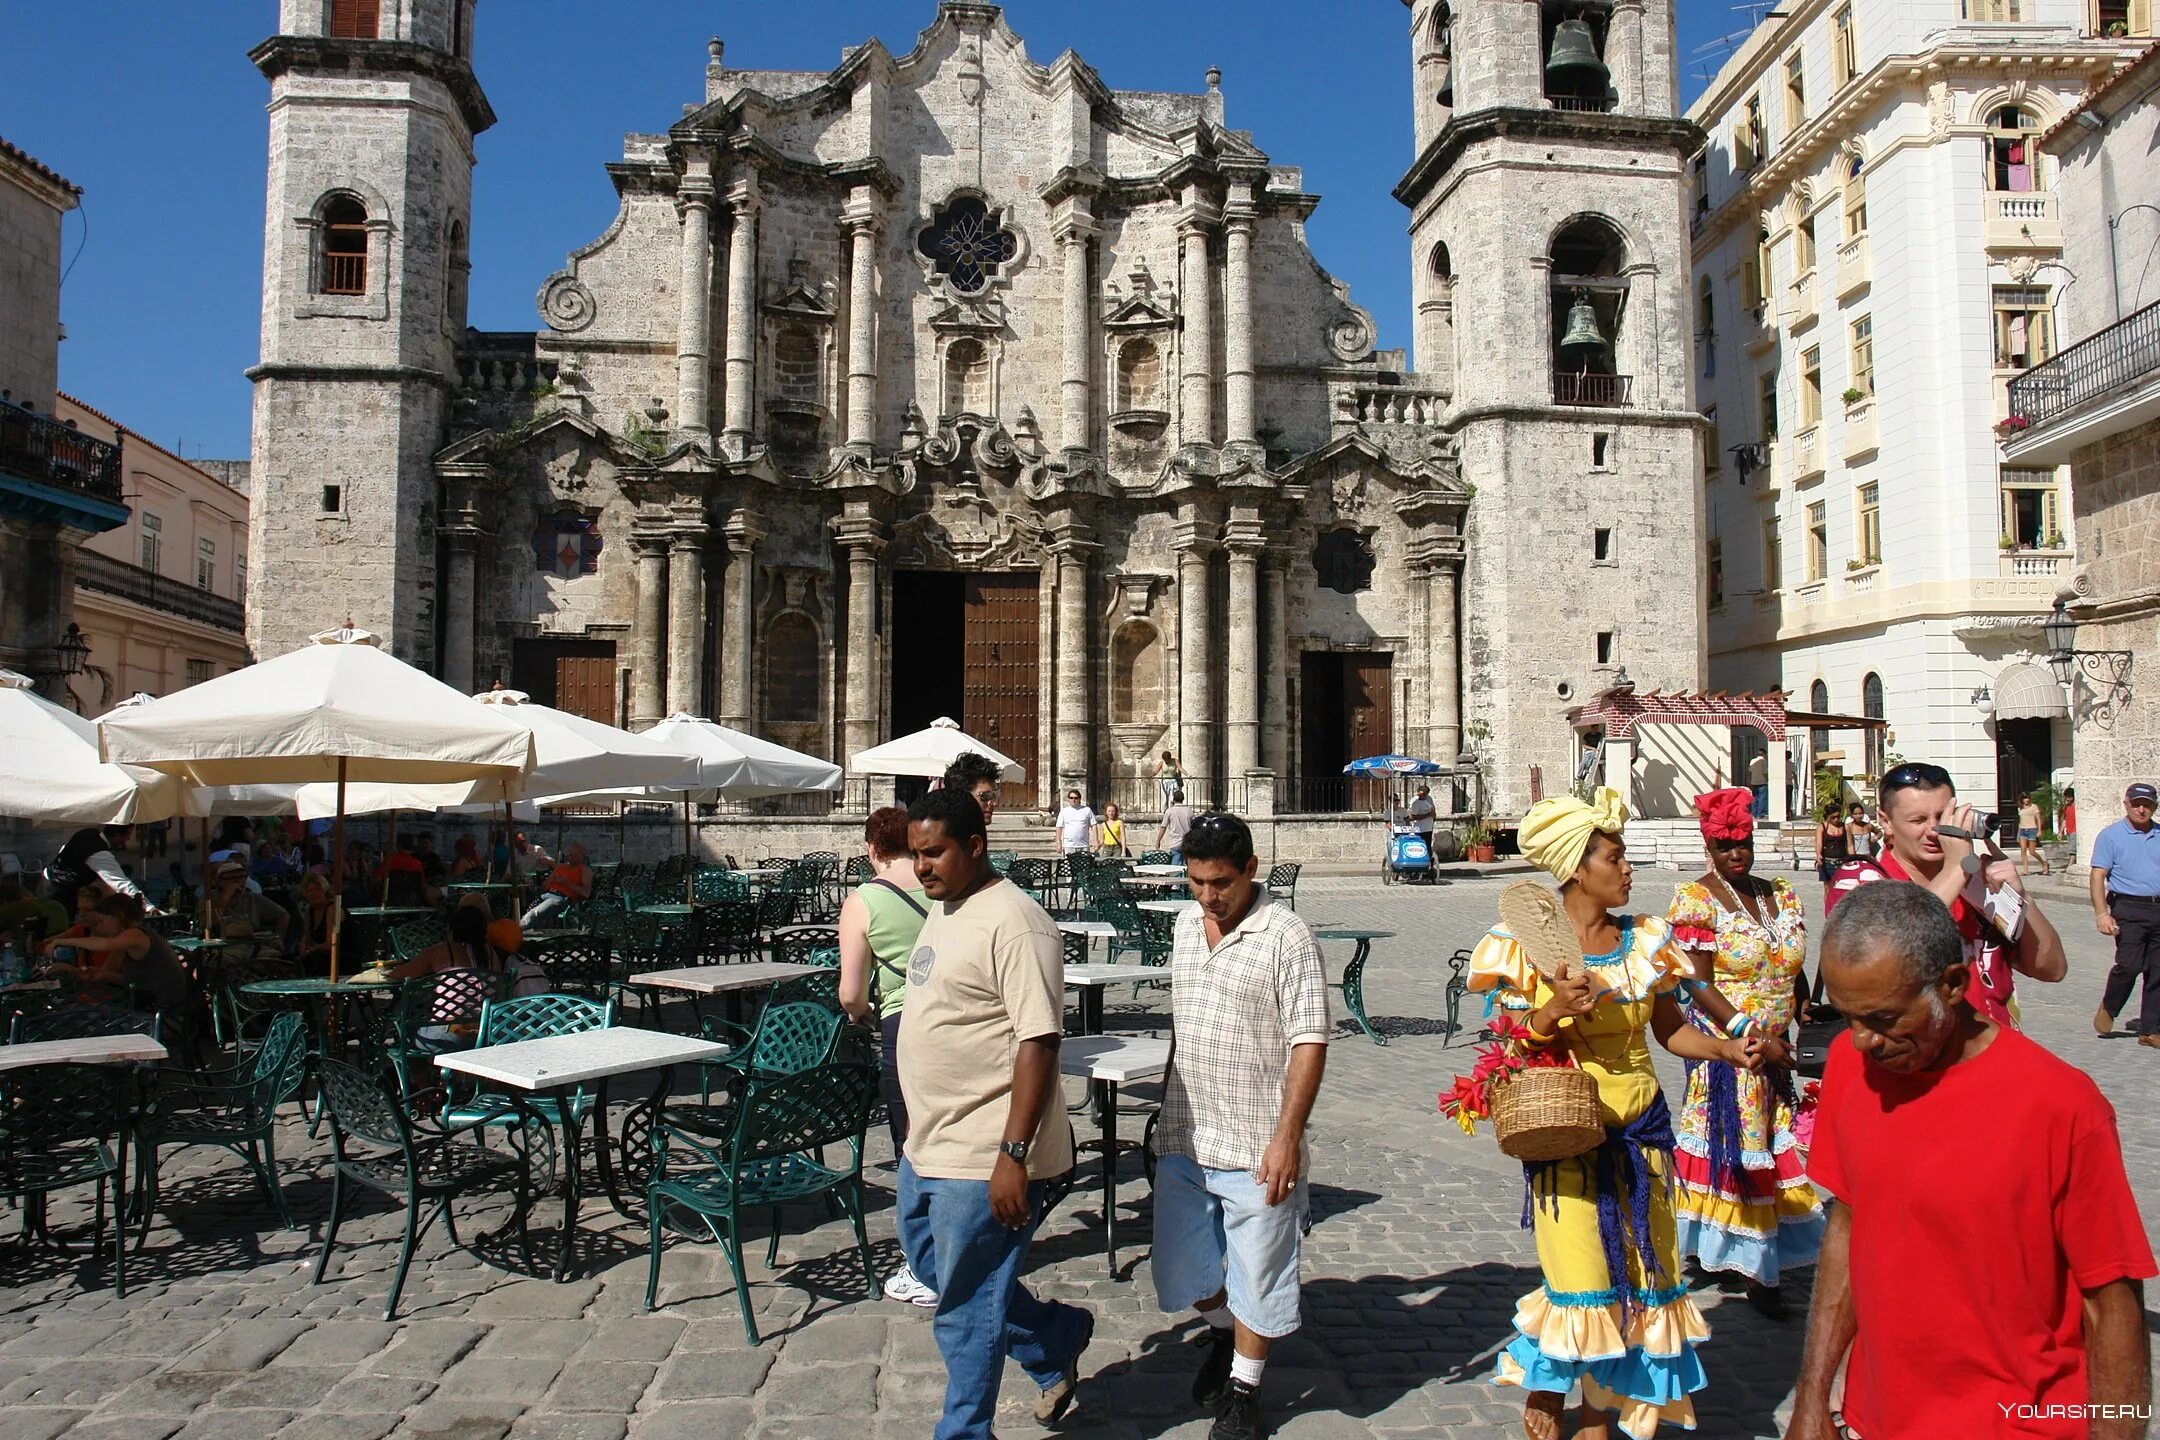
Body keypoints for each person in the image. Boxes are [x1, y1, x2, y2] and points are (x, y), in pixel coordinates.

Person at [1785, 882, 2153, 1440]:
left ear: (1954, 986)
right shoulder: (1848, 1066)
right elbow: (1849, 1225)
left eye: (1883, 1018)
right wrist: (1812, 1400)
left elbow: (2112, 1301)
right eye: (1848, 1016)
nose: (1862, 1041)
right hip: (1878, 1419)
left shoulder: (2063, 1106)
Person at [1469, 788, 1763, 1440]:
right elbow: (1506, 1049)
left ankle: (1597, 1415)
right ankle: (1553, 1385)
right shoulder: (1522, 948)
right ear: (1578, 867)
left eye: (1625, 855)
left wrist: (1724, 1048)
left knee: (1638, 1282)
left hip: (1645, 1136)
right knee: (1583, 1282)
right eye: (1615, 856)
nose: (1627, 868)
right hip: (1567, 1134)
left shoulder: (1646, 941)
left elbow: (1669, 1031)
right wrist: (1552, 1011)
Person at [895, 787, 1091, 1438]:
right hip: (930, 1142)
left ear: (976, 846)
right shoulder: (947, 905)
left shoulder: (1017, 921)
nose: (922, 866)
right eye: (915, 854)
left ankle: (964, 1430)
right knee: (931, 1269)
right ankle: (1050, 1337)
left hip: (984, 1149)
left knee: (965, 1306)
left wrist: (1011, 1155)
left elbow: (1038, 1040)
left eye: (934, 853)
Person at [1152, 811, 1329, 1440]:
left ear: (1250, 869)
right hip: (1185, 1132)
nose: (1207, 895)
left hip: (1258, 1138)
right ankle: (1226, 1336)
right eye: (1196, 882)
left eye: (1220, 882)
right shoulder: (1180, 926)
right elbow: (1183, 1022)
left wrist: (1287, 1137)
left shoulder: (1286, 935)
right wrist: (1162, 1108)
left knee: (1260, 1270)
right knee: (1182, 1270)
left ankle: (1244, 1392)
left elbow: (1309, 1040)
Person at [1664, 789, 1824, 1319]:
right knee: (1742, 1145)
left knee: (1774, 1146)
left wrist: (1802, 1006)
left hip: (1780, 1048)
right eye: (1724, 844)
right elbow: (1696, 983)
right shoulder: (1697, 900)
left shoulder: (1779, 893)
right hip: (1735, 1050)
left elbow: (1789, 960)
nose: (1736, 853)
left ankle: (1748, 1249)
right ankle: (1757, 1268)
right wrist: (1751, 1036)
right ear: (1708, 844)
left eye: (1743, 843)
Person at [1826, 761, 2066, 1032]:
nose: (1933, 830)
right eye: (1917, 820)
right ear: (1885, 821)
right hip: (1915, 1064)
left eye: (1942, 817)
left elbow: (2052, 968)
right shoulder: (1861, 878)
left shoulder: (1976, 882)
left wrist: (2021, 899)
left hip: (1994, 1054)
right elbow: (1887, 949)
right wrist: (1956, 868)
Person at [837, 805, 938, 1309]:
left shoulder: (864, 900)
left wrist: (861, 1015)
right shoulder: (943, 885)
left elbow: (851, 992)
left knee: (912, 1145)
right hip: (956, 1021)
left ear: (873, 849)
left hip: (904, 1025)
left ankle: (926, 1266)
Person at [39, 893, 195, 1027]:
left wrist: (63, 941)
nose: (99, 928)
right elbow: (139, 981)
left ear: (119, 916)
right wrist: (105, 975)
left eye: (102, 922)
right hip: (153, 1008)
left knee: (71, 1019)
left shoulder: (135, 935)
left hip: (164, 1017)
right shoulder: (131, 938)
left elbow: (105, 944)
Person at [2089, 781, 2160, 1047]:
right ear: (2126, 804)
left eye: (2148, 805)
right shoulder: (2111, 836)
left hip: (2158, 908)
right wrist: (2101, 914)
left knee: (2158, 971)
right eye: (2136, 804)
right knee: (2129, 965)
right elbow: (2098, 876)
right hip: (2128, 908)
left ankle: (2151, 1030)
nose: (2142, 810)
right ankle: (2110, 1005)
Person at [43, 824, 147, 913]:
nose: (128, 839)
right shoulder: (99, 852)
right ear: (117, 835)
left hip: (49, 880)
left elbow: (64, 850)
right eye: (127, 835)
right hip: (59, 891)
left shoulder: (88, 832)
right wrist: (147, 906)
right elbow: (120, 882)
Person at [207, 860, 292, 959]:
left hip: (252, 945)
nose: (239, 882)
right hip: (225, 947)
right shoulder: (210, 898)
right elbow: (211, 922)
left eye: (242, 877)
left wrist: (279, 937)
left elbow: (282, 915)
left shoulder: (252, 898)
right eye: (232, 878)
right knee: (220, 960)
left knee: (275, 957)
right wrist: (226, 896)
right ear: (220, 881)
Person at [522, 841, 593, 927]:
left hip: (562, 898)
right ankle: (528, 932)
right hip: (547, 894)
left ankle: (518, 929)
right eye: (569, 854)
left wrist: (567, 883)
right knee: (532, 911)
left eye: (573, 855)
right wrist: (550, 881)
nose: (570, 857)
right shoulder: (561, 867)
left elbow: (586, 893)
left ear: (581, 856)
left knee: (534, 913)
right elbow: (544, 886)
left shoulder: (584, 870)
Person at [0, 874, 71, 950]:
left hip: (36, 951)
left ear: (4, 902)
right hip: (64, 949)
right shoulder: (56, 904)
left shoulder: (10, 908)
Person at [941, 751, 1004, 825]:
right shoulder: (940, 834)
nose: (994, 803)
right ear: (960, 797)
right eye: (985, 796)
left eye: (994, 796)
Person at [1157, 786, 1198, 862]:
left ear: (1173, 799)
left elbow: (1163, 827)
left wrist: (1158, 841)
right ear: (1183, 799)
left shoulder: (1169, 811)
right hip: (1187, 842)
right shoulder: (1189, 811)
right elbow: (1194, 825)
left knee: (1175, 867)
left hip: (1175, 842)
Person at [1051, 788, 1097, 856]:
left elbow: (1094, 825)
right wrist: (1058, 843)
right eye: (1071, 798)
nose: (1073, 800)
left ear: (1079, 799)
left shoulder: (1087, 810)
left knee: (1084, 866)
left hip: (1084, 845)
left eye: (1076, 798)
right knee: (1069, 866)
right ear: (1068, 799)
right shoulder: (1064, 811)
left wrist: (1096, 841)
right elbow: (1059, 828)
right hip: (1069, 846)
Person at [2017, 790, 2051, 876]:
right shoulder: (2020, 808)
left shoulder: (2034, 807)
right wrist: (2018, 833)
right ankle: (2025, 869)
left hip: (2032, 829)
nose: (2026, 800)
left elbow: (2038, 819)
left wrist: (2039, 830)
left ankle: (2043, 863)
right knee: (2023, 850)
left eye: (2027, 798)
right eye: (2024, 798)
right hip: (2022, 830)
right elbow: (2020, 821)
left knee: (2032, 851)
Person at [1814, 803, 1848, 884]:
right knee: (1828, 888)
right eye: (1833, 818)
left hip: (1842, 862)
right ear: (1827, 816)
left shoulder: (1845, 827)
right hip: (1827, 863)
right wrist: (1818, 855)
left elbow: (1850, 846)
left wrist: (1853, 859)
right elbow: (1819, 843)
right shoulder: (1822, 827)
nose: (1836, 820)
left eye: (1838, 817)